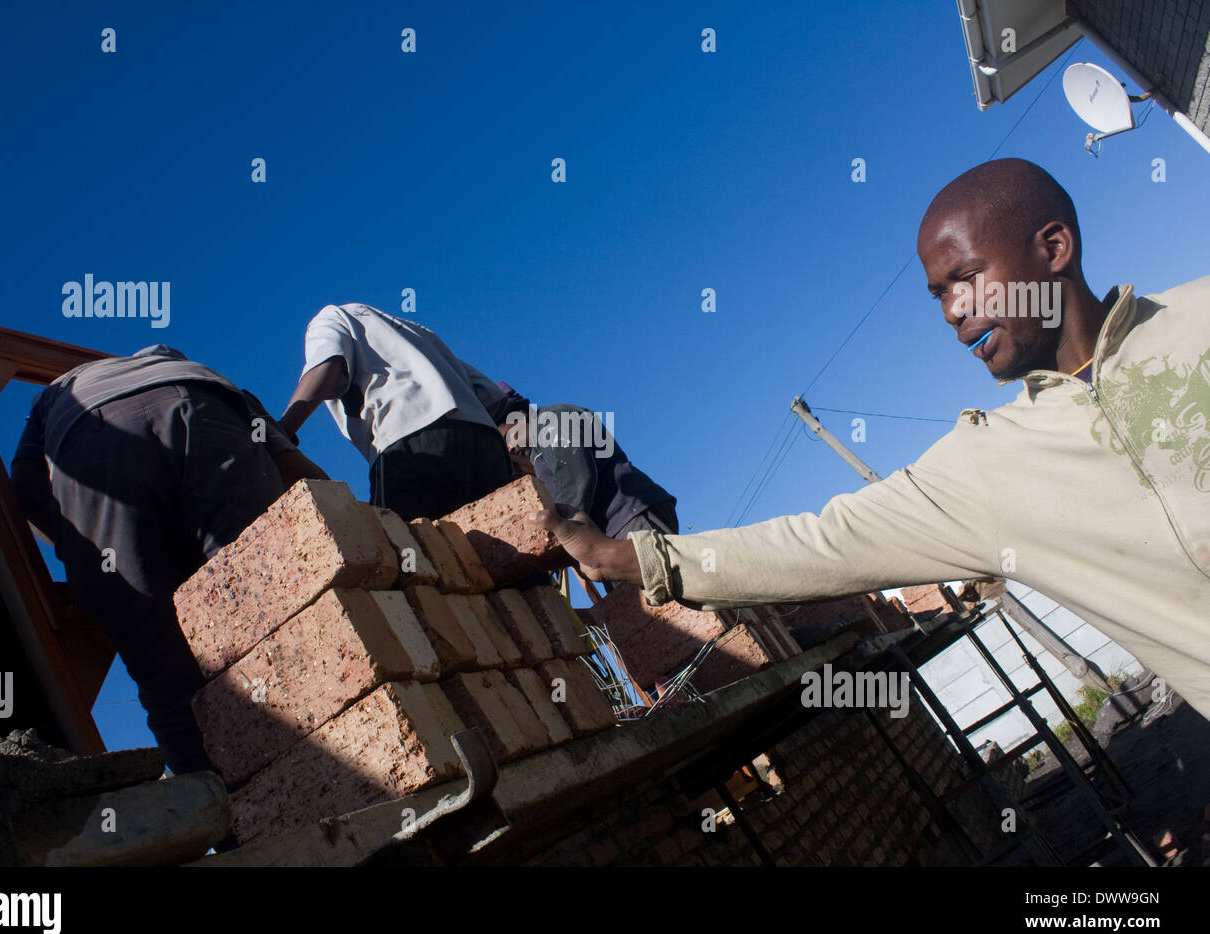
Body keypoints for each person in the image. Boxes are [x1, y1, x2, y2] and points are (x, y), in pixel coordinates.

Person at [530, 158, 1210, 719]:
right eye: (938, 295)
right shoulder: (988, 469)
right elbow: (819, 545)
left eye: (967, 278)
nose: (953, 312)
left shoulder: (1198, 322)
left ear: (1053, 248)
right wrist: (629, 559)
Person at [11, 345, 328, 774]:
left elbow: (25, 484)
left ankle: (217, 804)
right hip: (205, 413)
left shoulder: (57, 392)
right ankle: (330, 769)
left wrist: (85, 551)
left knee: (160, 662)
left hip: (91, 443)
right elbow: (296, 467)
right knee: (272, 611)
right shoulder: (197, 372)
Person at [279, 303, 514, 520]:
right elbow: (491, 397)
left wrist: (282, 431)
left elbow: (326, 365)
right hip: (486, 442)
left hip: (410, 438)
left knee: (406, 541)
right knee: (499, 539)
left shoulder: (330, 317)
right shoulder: (419, 335)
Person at [493, 387, 678, 540]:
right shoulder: (537, 450)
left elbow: (576, 478)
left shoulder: (550, 421)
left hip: (629, 517)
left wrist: (558, 535)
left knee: (654, 572)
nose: (509, 448)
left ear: (519, 416)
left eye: (507, 437)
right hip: (613, 529)